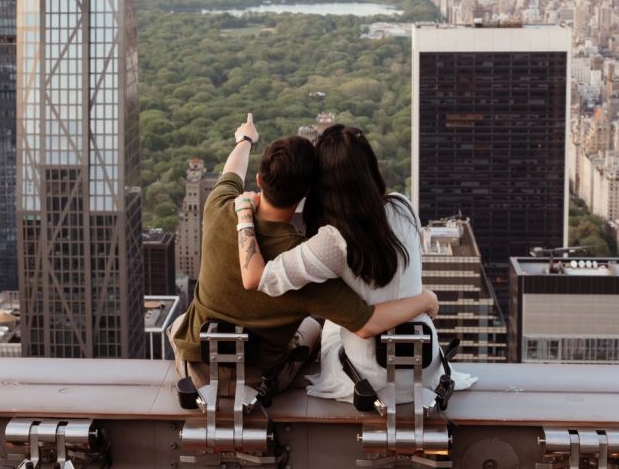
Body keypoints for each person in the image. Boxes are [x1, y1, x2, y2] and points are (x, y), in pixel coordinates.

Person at [168, 114, 440, 398]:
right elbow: (366, 322)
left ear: (259, 179)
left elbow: (233, 170)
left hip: (195, 370)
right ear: (308, 191)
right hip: (257, 380)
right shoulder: (309, 261)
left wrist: (245, 140)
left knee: (183, 320)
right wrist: (427, 299)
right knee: (312, 326)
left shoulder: (219, 206)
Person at [234, 123, 477, 404]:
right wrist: (426, 299)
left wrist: (244, 214)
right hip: (425, 371)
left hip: (367, 382)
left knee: (330, 323)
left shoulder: (332, 241)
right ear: (370, 167)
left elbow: (256, 278)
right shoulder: (403, 207)